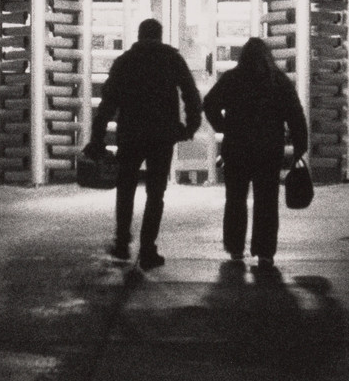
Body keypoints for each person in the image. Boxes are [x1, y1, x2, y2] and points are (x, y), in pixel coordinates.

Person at [85, 18, 202, 270]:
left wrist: (98, 136)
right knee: (156, 193)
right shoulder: (172, 59)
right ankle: (148, 248)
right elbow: (191, 93)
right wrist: (190, 126)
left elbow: (108, 103)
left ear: (139, 36)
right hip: (162, 136)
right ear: (159, 36)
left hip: (131, 134)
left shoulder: (125, 62)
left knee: (125, 188)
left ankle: (122, 241)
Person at [201, 37, 308, 268]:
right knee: (267, 201)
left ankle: (235, 248)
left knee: (236, 199)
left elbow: (209, 103)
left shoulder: (232, 78)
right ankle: (265, 251)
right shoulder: (278, 81)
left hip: (237, 148)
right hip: (269, 150)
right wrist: (300, 145)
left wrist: (223, 126)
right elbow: (296, 114)